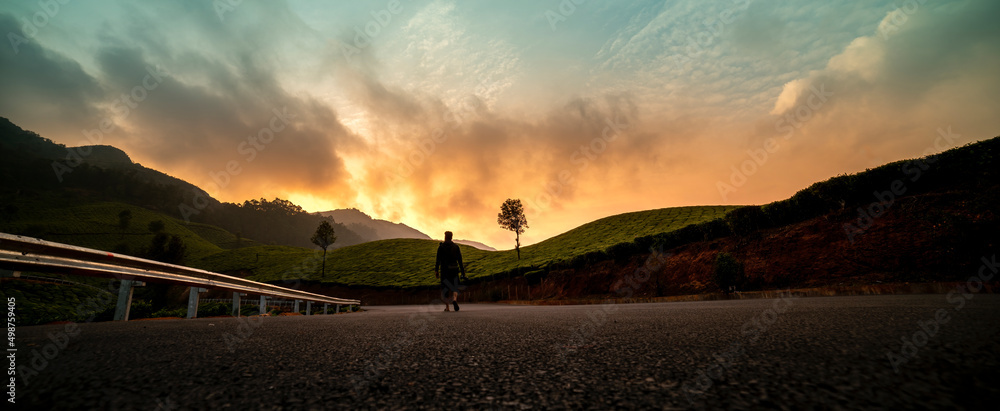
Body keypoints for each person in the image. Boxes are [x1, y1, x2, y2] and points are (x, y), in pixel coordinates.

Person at [435, 231, 466, 312]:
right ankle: (455, 299)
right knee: (455, 286)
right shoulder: (456, 247)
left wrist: (436, 270)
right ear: (451, 237)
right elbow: (460, 260)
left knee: (445, 288)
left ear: (445, 237)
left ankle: (447, 307)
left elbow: (438, 260)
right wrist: (463, 272)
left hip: (445, 270)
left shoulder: (441, 247)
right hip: (454, 269)